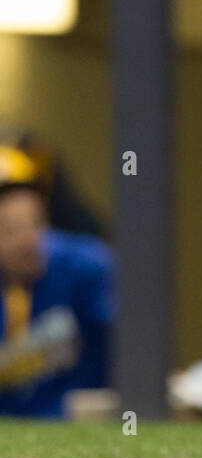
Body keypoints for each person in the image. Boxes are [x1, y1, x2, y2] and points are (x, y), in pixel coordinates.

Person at [0, 147, 113, 418]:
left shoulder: (88, 268)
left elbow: (136, 351)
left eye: (35, 223)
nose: (27, 241)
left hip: (82, 418)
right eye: (8, 230)